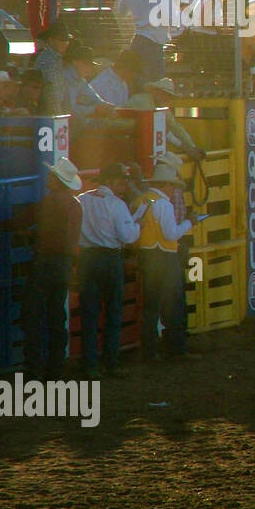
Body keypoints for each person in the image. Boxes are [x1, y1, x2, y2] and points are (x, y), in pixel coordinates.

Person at [18, 158, 83, 380]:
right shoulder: (75, 205)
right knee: (57, 318)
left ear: (57, 180)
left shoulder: (49, 202)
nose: (48, 178)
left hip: (45, 263)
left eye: (51, 176)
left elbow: (23, 221)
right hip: (63, 265)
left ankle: (33, 370)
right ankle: (55, 370)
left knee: (33, 316)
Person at [77, 162, 143, 379]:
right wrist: (137, 225)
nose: (124, 182)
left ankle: (90, 365)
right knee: (114, 311)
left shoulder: (83, 199)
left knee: (89, 313)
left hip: (87, 259)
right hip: (110, 259)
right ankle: (110, 363)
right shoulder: (117, 204)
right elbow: (128, 237)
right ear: (109, 181)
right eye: (121, 179)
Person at [117, 0, 173, 83]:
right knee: (156, 83)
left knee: (137, 81)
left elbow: (121, 11)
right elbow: (168, 18)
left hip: (137, 40)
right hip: (154, 43)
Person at [127, 78, 206, 159]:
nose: (166, 97)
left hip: (149, 147)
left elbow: (175, 127)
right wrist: (189, 147)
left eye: (169, 95)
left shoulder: (162, 107)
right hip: (133, 145)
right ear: (156, 91)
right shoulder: (140, 101)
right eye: (165, 94)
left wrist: (192, 146)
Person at [32, 23, 72, 113]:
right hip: (48, 112)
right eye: (61, 39)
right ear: (51, 40)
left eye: (66, 40)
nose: (64, 43)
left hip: (52, 112)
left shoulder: (56, 58)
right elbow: (52, 93)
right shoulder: (48, 60)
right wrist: (58, 115)